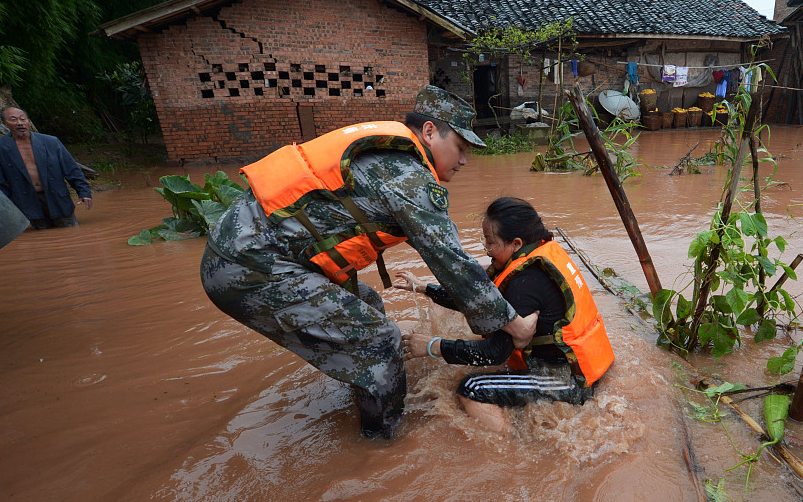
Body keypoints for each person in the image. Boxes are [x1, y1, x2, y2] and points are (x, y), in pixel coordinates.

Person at [200, 86, 538, 439]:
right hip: (249, 266)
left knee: (370, 305)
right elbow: (451, 260)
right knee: (381, 340)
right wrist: (512, 324)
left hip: (243, 251)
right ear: (429, 133)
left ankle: (367, 393)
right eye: (461, 147)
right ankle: (382, 446)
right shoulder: (409, 175)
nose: (464, 161)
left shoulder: (387, 152)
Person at [397, 197, 614, 427]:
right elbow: (479, 301)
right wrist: (426, 288)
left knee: (472, 388)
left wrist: (433, 346)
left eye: (490, 242)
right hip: (587, 365)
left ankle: (512, 450)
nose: (487, 249)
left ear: (516, 244)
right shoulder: (536, 255)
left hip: (569, 380)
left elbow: (495, 353)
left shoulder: (523, 284)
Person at [0, 106, 93, 229]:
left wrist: (84, 192)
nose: (20, 123)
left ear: (29, 121)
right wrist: (2, 206)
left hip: (58, 199)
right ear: (5, 124)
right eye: (13, 120)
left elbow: (71, 169)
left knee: (70, 234)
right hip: (28, 201)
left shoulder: (51, 142)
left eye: (23, 119)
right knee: (42, 238)